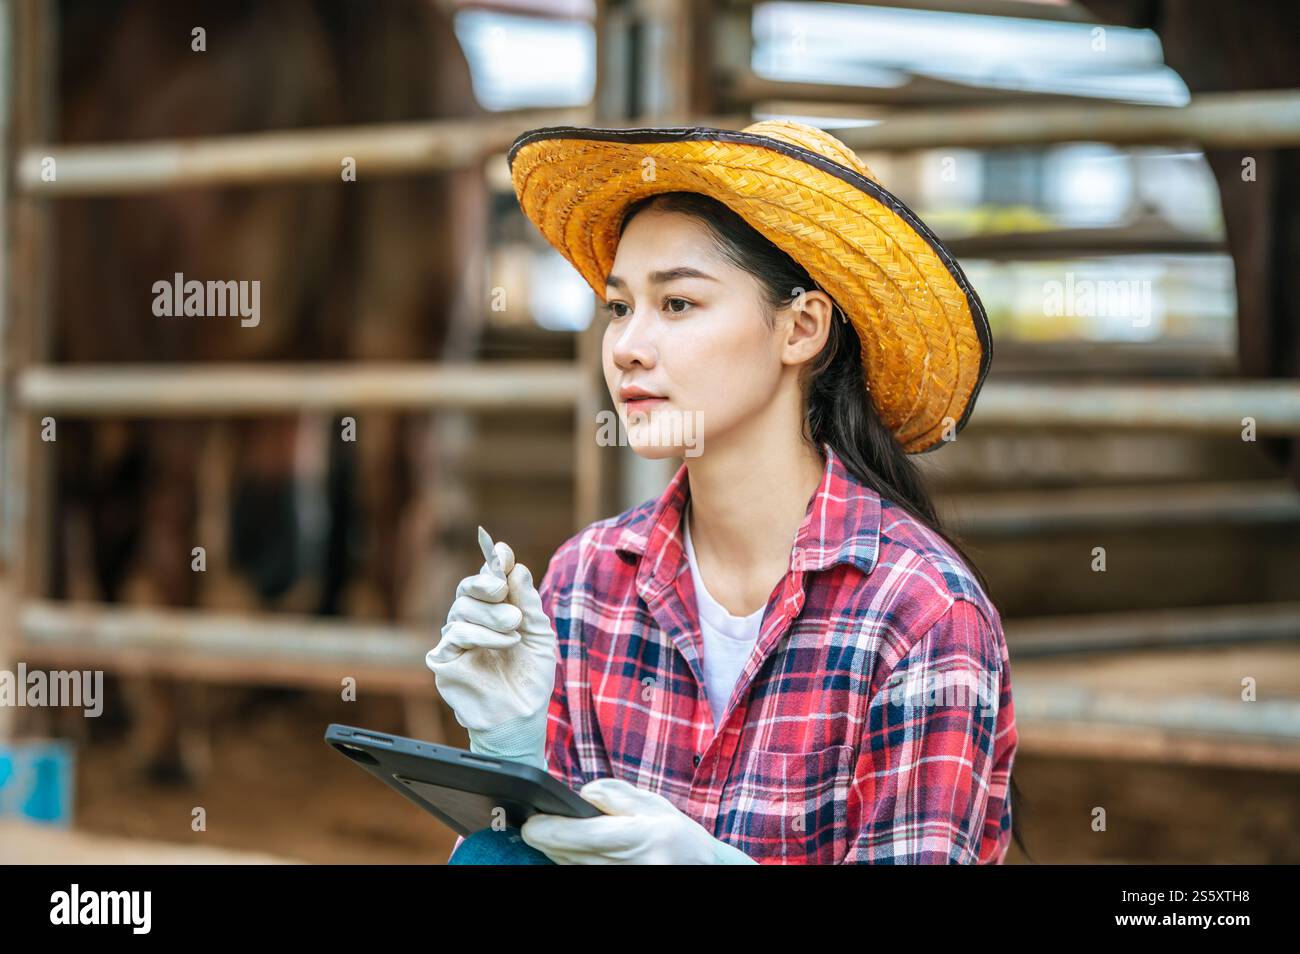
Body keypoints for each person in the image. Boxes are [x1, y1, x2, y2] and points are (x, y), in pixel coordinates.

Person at [430, 119, 1024, 865]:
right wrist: (509, 751)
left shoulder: (923, 616)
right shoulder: (586, 581)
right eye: (620, 307)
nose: (626, 346)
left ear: (802, 328)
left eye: (677, 304)